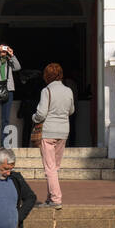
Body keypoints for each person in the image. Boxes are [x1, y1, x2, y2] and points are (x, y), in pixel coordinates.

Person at [32, 63, 74, 209]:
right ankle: (51, 197)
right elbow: (71, 110)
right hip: (63, 131)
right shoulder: (68, 91)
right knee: (55, 167)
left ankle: (56, 198)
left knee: (49, 167)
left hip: (49, 130)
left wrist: (34, 118)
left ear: (47, 76)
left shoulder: (46, 90)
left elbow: (41, 113)